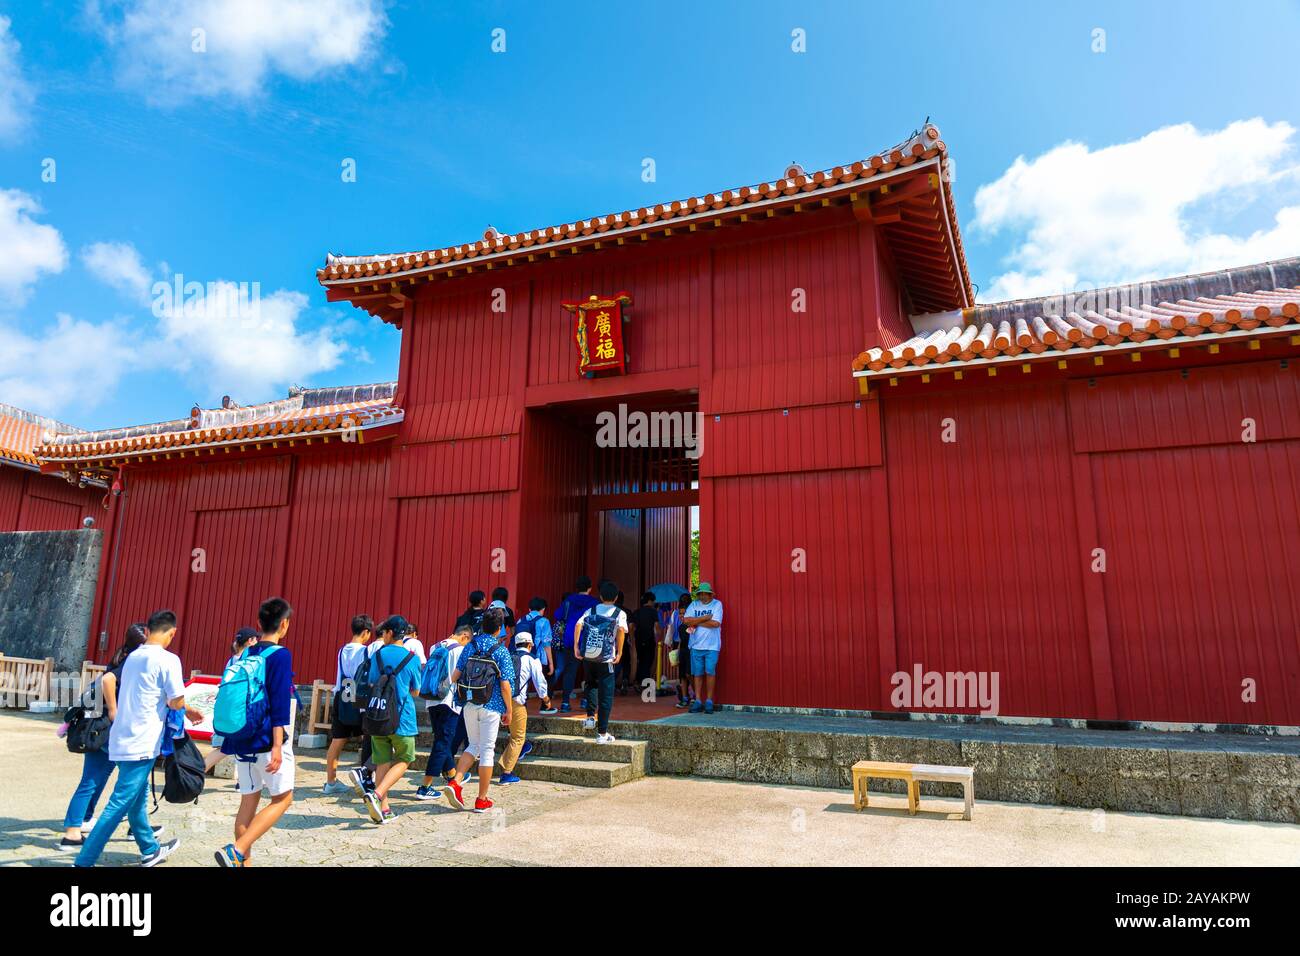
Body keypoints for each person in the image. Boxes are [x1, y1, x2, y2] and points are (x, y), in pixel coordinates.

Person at [75, 609, 198, 867]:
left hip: (121, 737)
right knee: (118, 805)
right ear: (172, 632)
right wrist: (188, 706)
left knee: (136, 798)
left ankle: (150, 850)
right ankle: (84, 861)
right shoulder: (168, 660)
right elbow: (175, 700)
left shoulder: (133, 657)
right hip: (141, 742)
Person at [214, 597, 297, 867]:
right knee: (283, 799)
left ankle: (241, 861)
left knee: (247, 804)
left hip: (242, 737)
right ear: (284, 625)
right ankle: (236, 850)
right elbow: (279, 704)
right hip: (266, 740)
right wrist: (276, 746)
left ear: (259, 623)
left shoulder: (246, 653)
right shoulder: (280, 655)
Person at [59, 622, 147, 852]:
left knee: (95, 779)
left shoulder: (122, 656)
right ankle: (135, 830)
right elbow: (108, 680)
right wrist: (114, 710)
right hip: (111, 730)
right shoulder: (131, 661)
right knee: (134, 781)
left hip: (101, 729)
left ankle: (77, 826)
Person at [444, 607, 515, 813]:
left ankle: (456, 782)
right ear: (499, 629)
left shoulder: (470, 645)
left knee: (473, 745)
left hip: (469, 703)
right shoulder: (501, 650)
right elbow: (505, 685)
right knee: (486, 751)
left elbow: (456, 674)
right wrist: (508, 710)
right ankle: (481, 799)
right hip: (491, 706)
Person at [359, 615, 423, 824]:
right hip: (402, 718)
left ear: (388, 633)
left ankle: (383, 810)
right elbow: (415, 691)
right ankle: (378, 796)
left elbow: (370, 682)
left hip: (379, 716)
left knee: (381, 762)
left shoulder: (378, 655)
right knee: (405, 759)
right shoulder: (412, 657)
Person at [414, 624, 472, 800]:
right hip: (449, 701)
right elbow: (463, 676)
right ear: (464, 636)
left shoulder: (435, 646)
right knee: (443, 743)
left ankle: (452, 775)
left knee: (441, 739)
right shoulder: (461, 650)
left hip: (432, 700)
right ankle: (425, 786)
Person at [323, 615, 373, 794]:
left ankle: (331, 781)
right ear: (366, 632)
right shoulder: (365, 651)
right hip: (359, 697)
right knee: (369, 738)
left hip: (342, 694)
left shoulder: (342, 650)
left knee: (337, 740)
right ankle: (365, 779)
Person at [574, 580, 627, 744]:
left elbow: (578, 625)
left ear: (601, 596)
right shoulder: (619, 613)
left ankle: (590, 717)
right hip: (606, 659)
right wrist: (619, 652)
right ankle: (602, 734)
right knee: (606, 695)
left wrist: (577, 647)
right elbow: (621, 631)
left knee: (590, 684)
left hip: (589, 656)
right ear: (616, 597)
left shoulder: (592, 609)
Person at [204, 626, 261, 774]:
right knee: (238, 747)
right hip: (241, 711)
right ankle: (195, 774)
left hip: (226, 709)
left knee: (225, 748)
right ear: (250, 641)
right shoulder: (251, 661)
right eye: (256, 639)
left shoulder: (231, 661)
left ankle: (196, 772)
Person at [497, 630, 549, 785]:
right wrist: (546, 699)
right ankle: (506, 773)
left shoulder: (507, 656)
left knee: (515, 734)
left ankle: (521, 749)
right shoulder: (532, 660)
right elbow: (540, 683)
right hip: (517, 702)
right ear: (530, 644)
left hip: (500, 701)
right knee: (517, 737)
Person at [553, 577, 598, 714]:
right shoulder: (594, 602)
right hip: (589, 639)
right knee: (589, 671)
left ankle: (565, 703)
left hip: (570, 638)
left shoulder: (569, 600)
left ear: (576, 588)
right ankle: (586, 701)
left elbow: (558, 615)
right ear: (590, 588)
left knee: (570, 671)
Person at [683, 583, 723, 714]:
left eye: (705, 594)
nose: (702, 596)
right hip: (696, 645)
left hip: (712, 646)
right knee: (698, 674)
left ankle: (709, 700)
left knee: (710, 672)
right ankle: (698, 700)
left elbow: (715, 623)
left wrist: (696, 620)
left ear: (710, 594)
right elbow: (686, 621)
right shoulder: (694, 604)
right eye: (700, 594)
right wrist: (705, 618)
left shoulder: (717, 605)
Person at [630, 591, 661, 689]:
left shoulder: (637, 611)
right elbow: (656, 626)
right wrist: (660, 638)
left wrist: (632, 639)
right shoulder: (653, 611)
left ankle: (638, 682)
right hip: (649, 639)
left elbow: (631, 626)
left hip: (639, 639)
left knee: (641, 660)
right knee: (648, 661)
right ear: (650, 601)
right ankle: (645, 684)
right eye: (653, 601)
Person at [667, 594, 694, 707]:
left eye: (684, 613)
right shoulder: (680, 626)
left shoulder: (692, 625)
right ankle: (685, 697)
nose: (682, 615)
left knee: (689, 674)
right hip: (682, 651)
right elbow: (679, 640)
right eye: (680, 614)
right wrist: (675, 653)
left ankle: (695, 695)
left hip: (690, 652)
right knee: (682, 675)